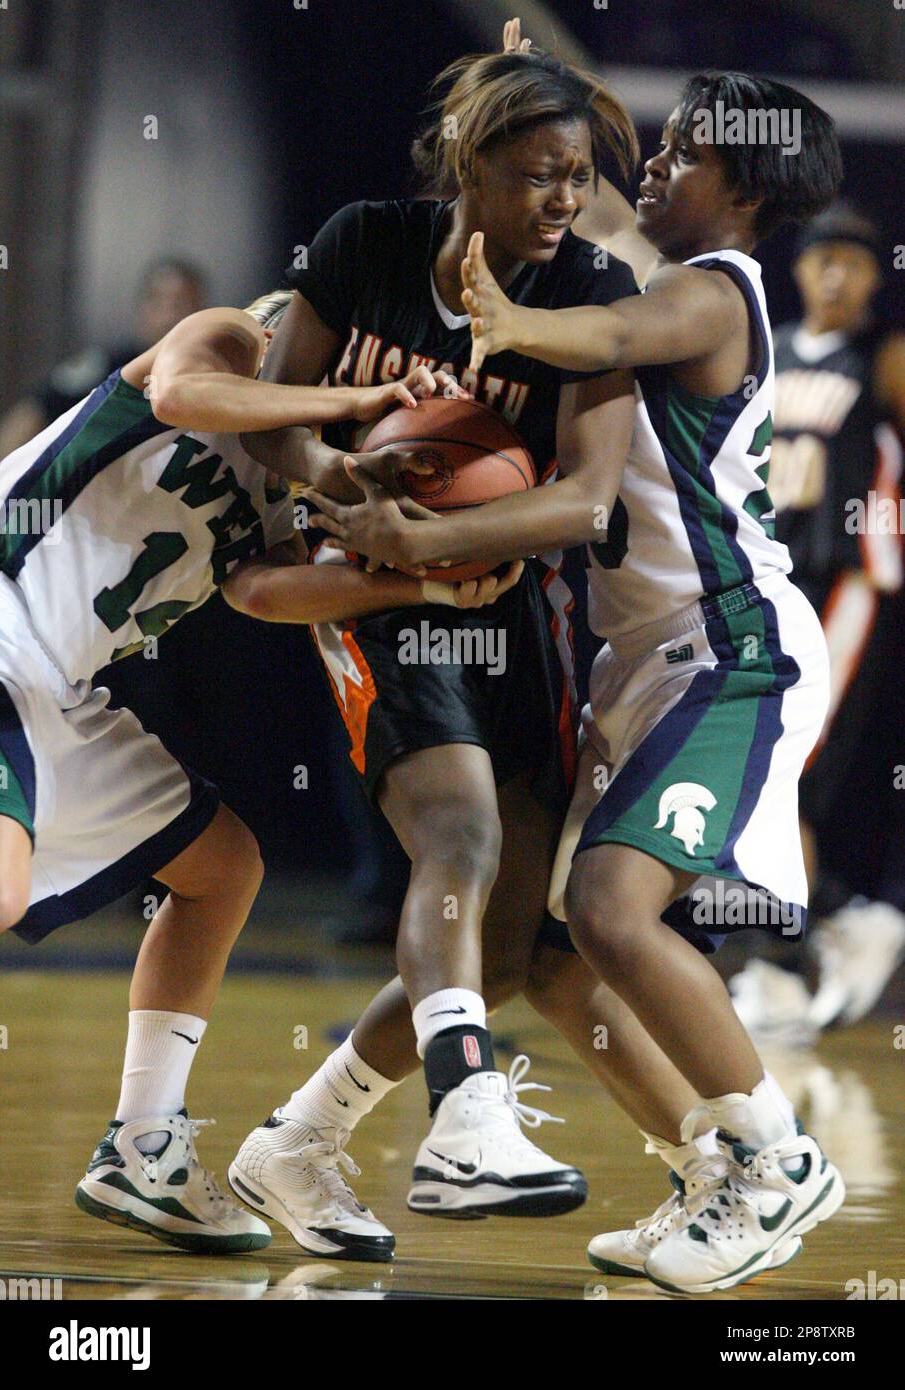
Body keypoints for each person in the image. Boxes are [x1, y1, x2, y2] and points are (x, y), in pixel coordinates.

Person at [314, 60, 849, 1293]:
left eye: (681, 152)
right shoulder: (678, 270)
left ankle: (775, 1161)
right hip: (644, 660)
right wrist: (506, 102)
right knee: (567, 938)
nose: (648, 168)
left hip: (730, 646)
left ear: (748, 187)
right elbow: (573, 214)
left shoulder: (715, 295)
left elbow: (604, 326)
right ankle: (716, 1168)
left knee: (611, 909)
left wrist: (501, 322)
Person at [229, 45, 650, 1250]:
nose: (563, 198)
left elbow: (582, 501)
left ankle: (296, 1146)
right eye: (539, 174)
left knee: (508, 932)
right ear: (471, 164)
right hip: (364, 589)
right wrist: (336, 476)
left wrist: (426, 533)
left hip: (512, 602)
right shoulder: (364, 239)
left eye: (576, 176)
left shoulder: (592, 286)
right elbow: (273, 411)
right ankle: (465, 1120)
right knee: (454, 834)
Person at [0, 287, 512, 1255]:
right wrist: (345, 409)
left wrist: (425, 581)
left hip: (56, 687)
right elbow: (187, 397)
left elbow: (260, 590)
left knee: (220, 867)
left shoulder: (288, 477)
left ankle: (142, 1146)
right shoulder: (231, 334)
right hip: (2, 623)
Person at [729, 203, 905, 1040]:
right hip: (772, 575)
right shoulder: (767, 354)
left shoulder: (887, 358)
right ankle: (822, 925)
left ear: (877, 277)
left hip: (850, 578)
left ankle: (790, 947)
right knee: (754, 757)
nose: (837, 274)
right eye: (823, 258)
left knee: (784, 759)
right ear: (797, 270)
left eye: (856, 262)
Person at [0, 257, 209, 461]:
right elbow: (33, 413)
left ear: (201, 312)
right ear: (141, 308)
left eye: (180, 303)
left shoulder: (212, 381)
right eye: (157, 301)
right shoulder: (108, 365)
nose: (168, 316)